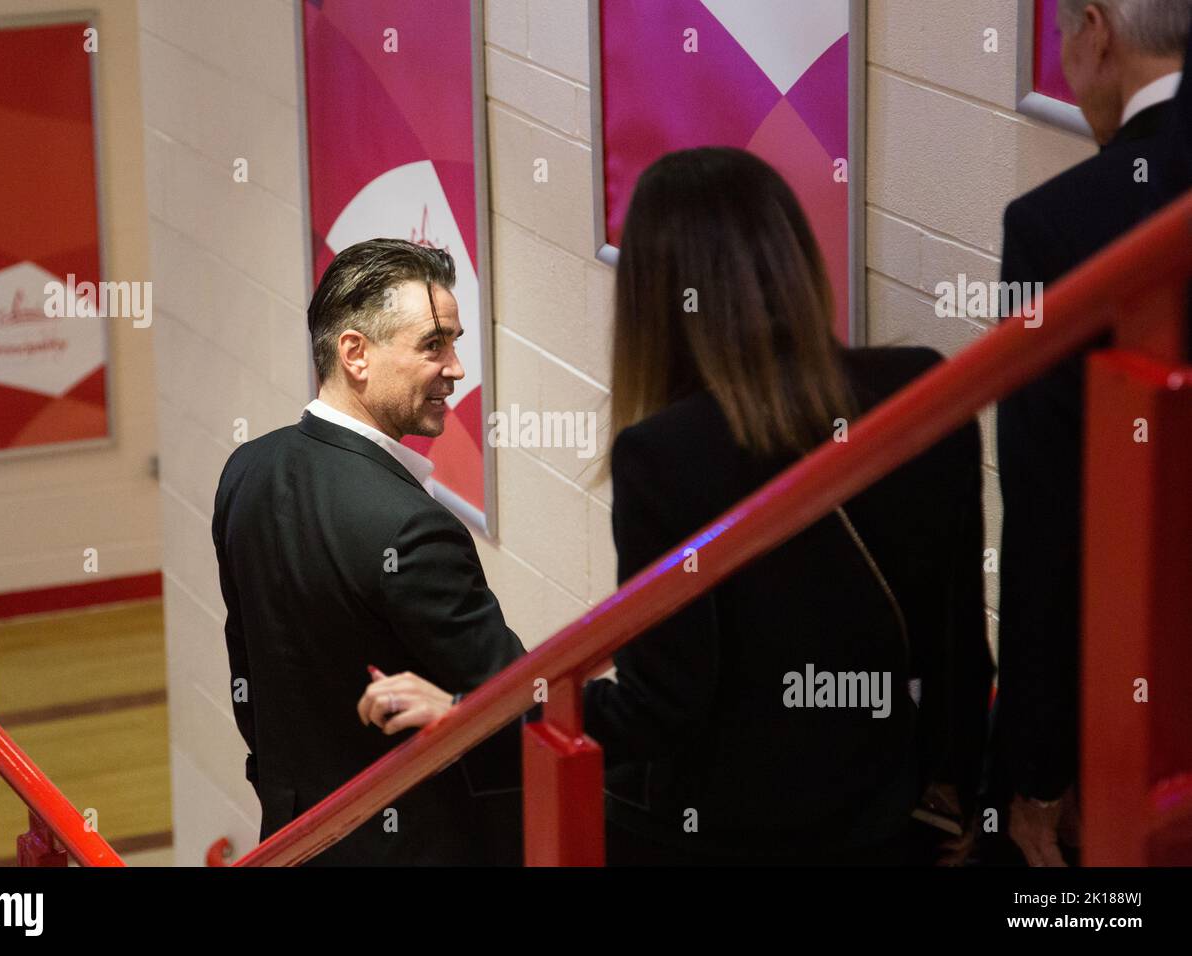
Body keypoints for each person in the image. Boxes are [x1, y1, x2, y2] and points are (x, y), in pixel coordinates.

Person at [360, 148, 993, 865]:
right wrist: (967, 795)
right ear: (792, 258)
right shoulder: (919, 387)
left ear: (653, 296)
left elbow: (664, 707)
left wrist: (474, 714)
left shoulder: (663, 455)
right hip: (889, 815)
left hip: (737, 832)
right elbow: (960, 643)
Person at [213, 238, 525, 865]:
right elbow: (514, 709)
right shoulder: (415, 528)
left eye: (456, 343)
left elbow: (247, 669)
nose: (458, 369)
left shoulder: (246, 468)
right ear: (355, 352)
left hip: (293, 835)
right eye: (433, 345)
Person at [987, 0, 1189, 868]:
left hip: (1138, 714)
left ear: (1096, 29)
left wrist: (1034, 771)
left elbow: (1048, 522)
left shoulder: (1059, 228)